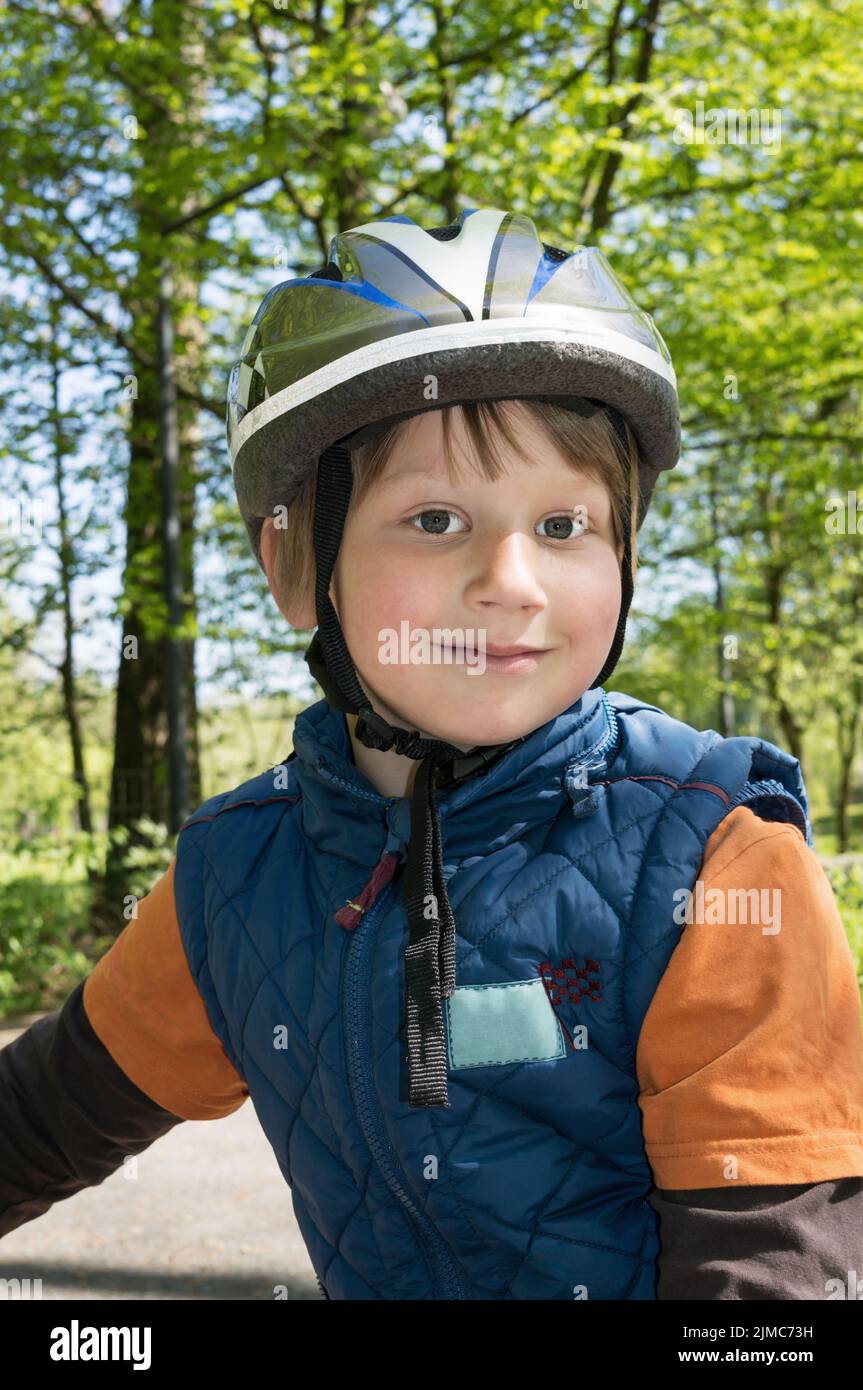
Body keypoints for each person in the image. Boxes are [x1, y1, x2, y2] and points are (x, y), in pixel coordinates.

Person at [2, 207, 862, 1300]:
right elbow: (40, 1117)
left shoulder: (710, 861)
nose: (512, 580)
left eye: (563, 526)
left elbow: (770, 1280)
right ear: (291, 564)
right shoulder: (234, 879)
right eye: (436, 519)